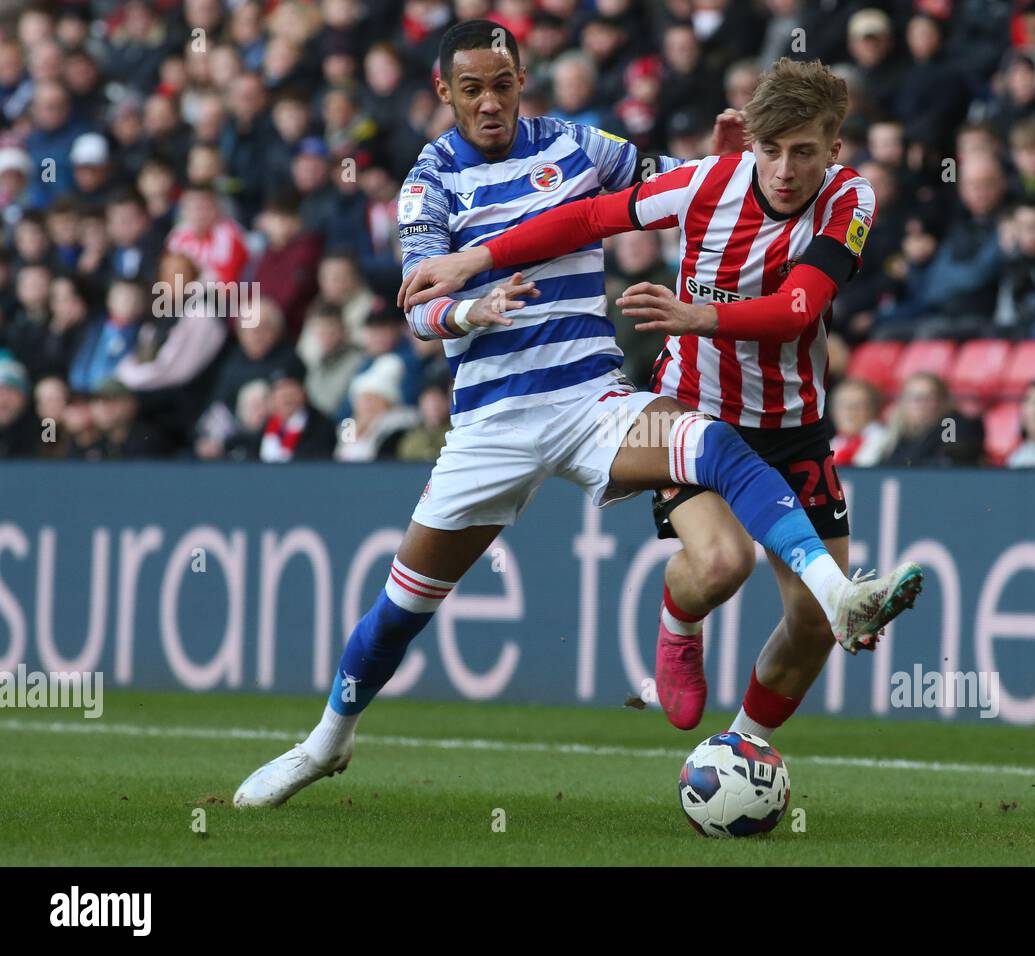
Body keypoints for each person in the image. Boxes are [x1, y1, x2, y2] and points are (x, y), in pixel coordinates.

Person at [233, 25, 916, 809]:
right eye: (473, 88)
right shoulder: (427, 185)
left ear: (523, 78)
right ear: (443, 92)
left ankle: (833, 598)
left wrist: (726, 150)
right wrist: (471, 306)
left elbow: (654, 192)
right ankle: (325, 743)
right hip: (492, 422)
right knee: (402, 610)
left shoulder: (581, 145)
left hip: (593, 398)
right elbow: (420, 312)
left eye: (503, 83)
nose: (490, 101)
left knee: (714, 445)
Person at [404, 54, 926, 741]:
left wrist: (697, 316)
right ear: (751, 144)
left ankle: (741, 747)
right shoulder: (704, 183)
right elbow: (587, 218)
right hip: (692, 416)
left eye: (805, 153)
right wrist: (477, 259)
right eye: (771, 151)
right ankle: (680, 623)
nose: (786, 170)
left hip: (791, 423)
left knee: (811, 622)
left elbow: (800, 309)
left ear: (834, 148)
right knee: (720, 565)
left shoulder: (850, 199)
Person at [880, 371, 985, 467]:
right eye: (913, 397)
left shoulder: (953, 425)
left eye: (928, 397)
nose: (919, 404)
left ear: (943, 401)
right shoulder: (900, 434)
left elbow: (948, 460)